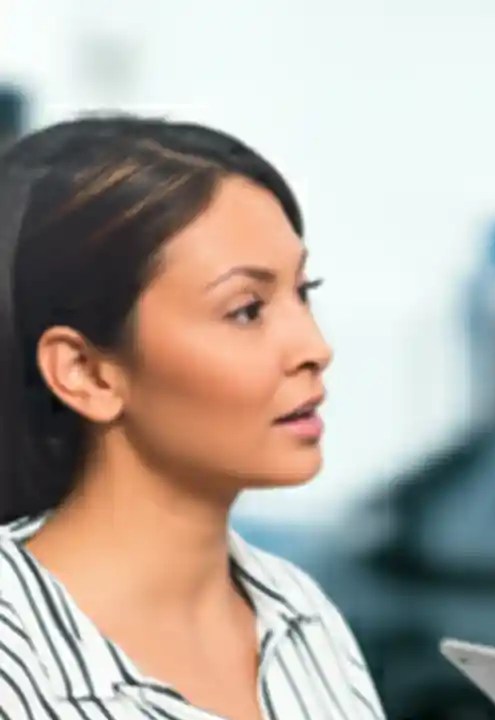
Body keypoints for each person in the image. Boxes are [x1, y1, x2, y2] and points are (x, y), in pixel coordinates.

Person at [0, 117, 386, 719]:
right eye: (247, 310)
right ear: (86, 372)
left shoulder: (302, 615)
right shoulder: (15, 659)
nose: (314, 346)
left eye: (303, 292)